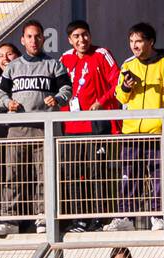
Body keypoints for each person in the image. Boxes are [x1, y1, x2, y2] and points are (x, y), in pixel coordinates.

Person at [0, 20, 70, 236]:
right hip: (17, 127)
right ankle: (10, 219)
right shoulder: (14, 67)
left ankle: (43, 216)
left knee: (45, 174)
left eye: (37, 36)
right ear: (23, 40)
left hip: (45, 127)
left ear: (44, 38)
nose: (34, 40)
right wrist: (8, 103)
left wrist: (58, 98)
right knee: (13, 174)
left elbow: (67, 88)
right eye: (29, 37)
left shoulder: (54, 64)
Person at [108, 22, 164, 232]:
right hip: (132, 131)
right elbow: (120, 97)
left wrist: (162, 120)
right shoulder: (128, 64)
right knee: (129, 174)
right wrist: (125, 87)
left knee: (158, 175)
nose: (134, 45)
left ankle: (158, 215)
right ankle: (126, 217)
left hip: (157, 132)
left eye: (139, 41)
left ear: (150, 42)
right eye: (131, 41)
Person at [59, 21, 119, 233]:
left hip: (96, 123)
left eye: (84, 35)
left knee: (97, 171)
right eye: (76, 36)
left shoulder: (102, 54)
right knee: (74, 172)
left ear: (90, 36)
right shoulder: (64, 59)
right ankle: (79, 219)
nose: (81, 40)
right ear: (69, 39)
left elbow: (117, 81)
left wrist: (100, 102)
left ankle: (97, 217)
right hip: (71, 125)